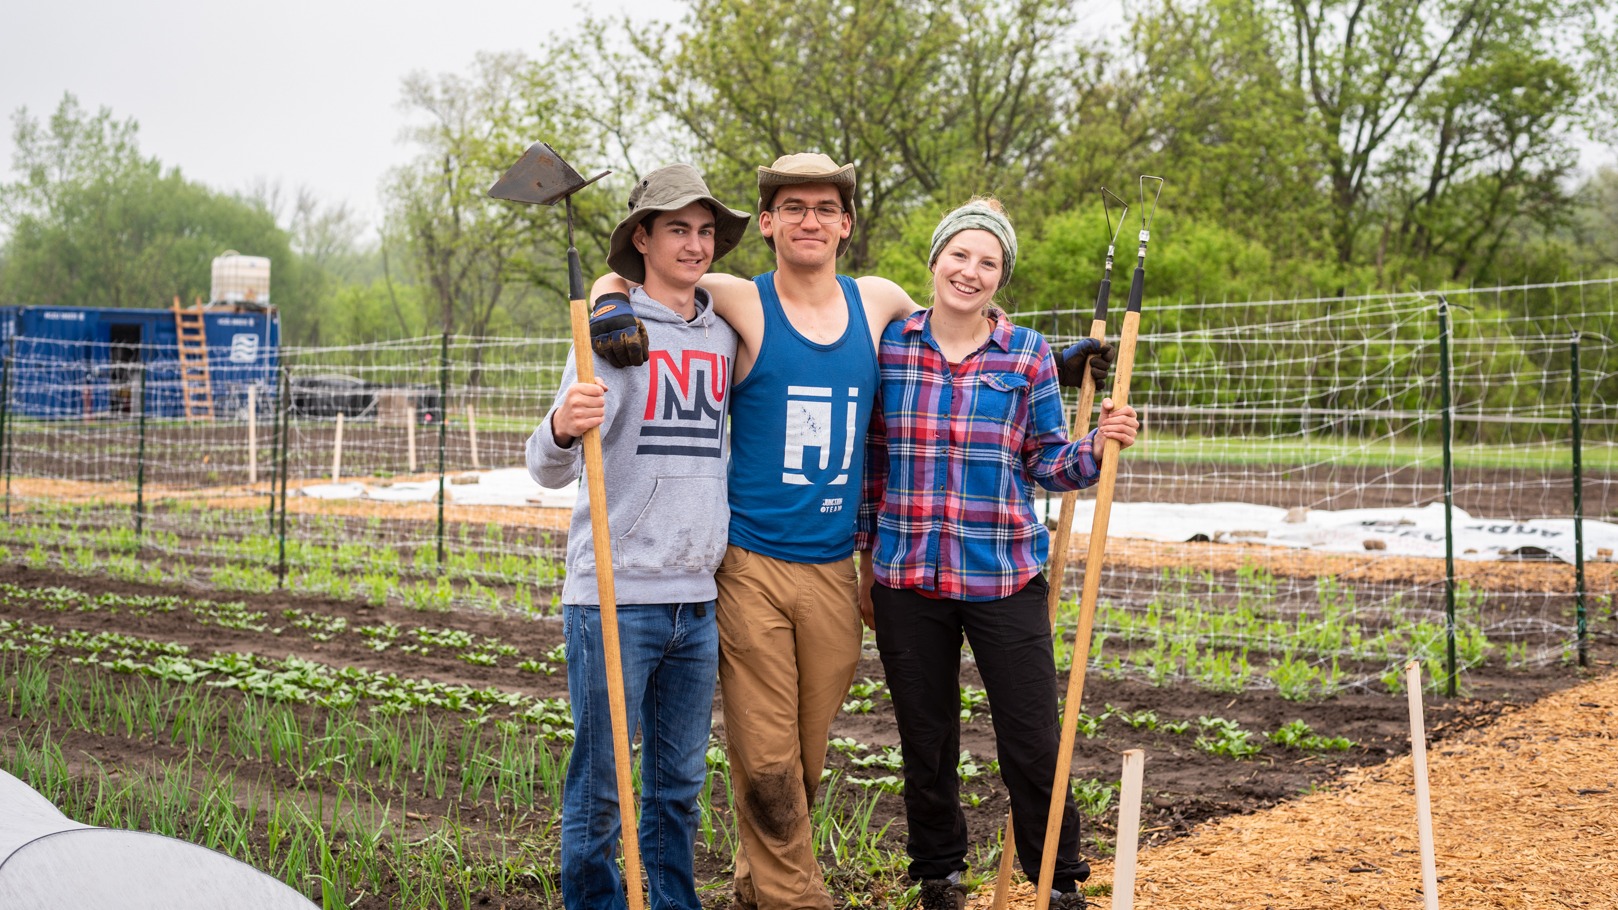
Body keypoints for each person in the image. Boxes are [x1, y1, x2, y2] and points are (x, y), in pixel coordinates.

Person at [589, 152, 918, 910]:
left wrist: (1050, 361)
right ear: (767, 222)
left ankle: (753, 887)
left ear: (846, 223)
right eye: (792, 207)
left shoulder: (879, 301)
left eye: (826, 208)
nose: (810, 220)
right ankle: (799, 900)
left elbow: (960, 335)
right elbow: (646, 274)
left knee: (801, 763)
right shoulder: (740, 297)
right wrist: (608, 299)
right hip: (750, 568)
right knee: (765, 761)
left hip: (835, 570)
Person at [855, 197, 1138, 910]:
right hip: (907, 574)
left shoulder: (1028, 352)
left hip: (1004, 571)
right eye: (960, 255)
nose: (971, 271)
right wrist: (866, 561)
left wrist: (1096, 448)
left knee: (1032, 738)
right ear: (935, 260)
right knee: (926, 738)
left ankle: (1059, 879)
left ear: (1001, 276)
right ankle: (939, 875)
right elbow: (874, 463)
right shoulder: (891, 346)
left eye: (988, 262)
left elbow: (1046, 459)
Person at [527, 163, 749, 910]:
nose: (694, 244)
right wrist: (565, 424)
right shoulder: (603, 332)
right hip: (614, 595)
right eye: (677, 230)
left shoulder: (723, 335)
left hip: (697, 597)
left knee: (679, 789)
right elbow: (545, 466)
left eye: (705, 231)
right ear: (643, 239)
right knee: (600, 785)